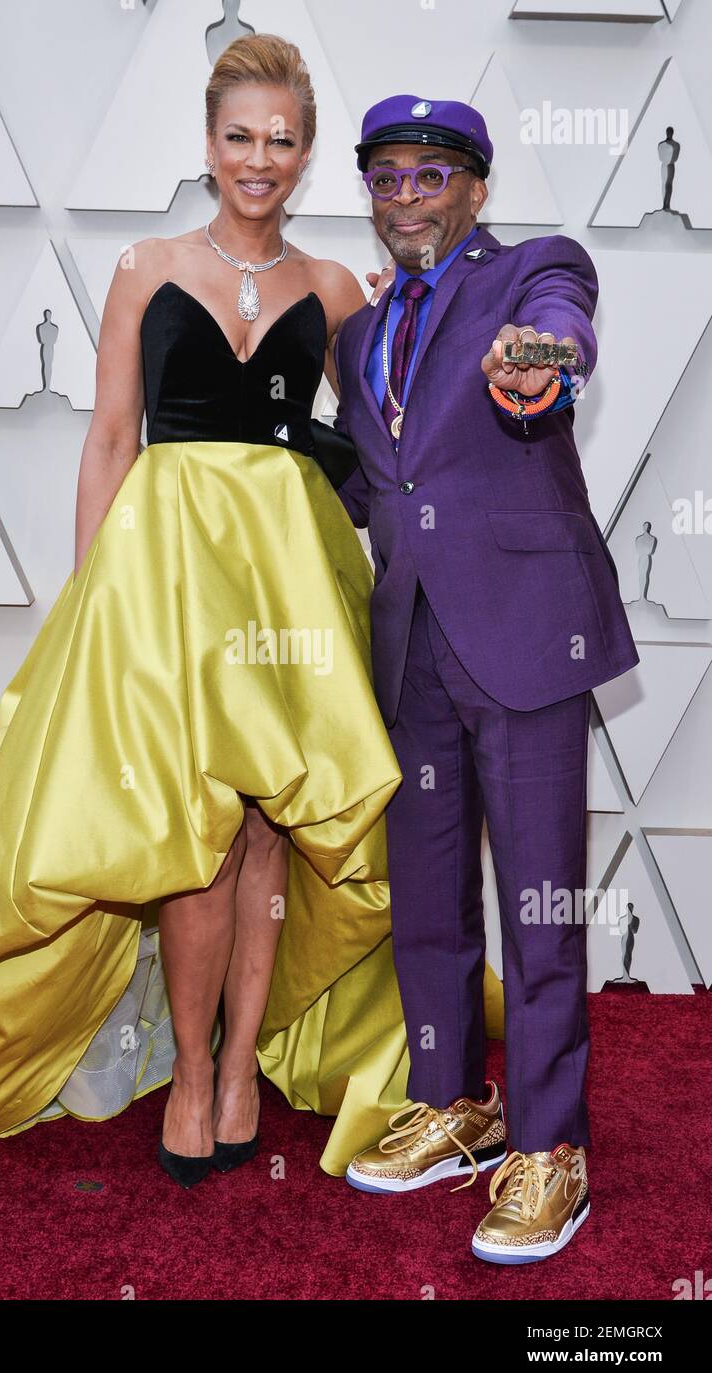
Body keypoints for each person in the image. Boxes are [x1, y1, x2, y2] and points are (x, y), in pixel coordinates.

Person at [0, 40, 505, 1191]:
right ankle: (195, 1064)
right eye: (238, 136)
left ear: (306, 156)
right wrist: (91, 599)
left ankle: (240, 1068)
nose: (257, 160)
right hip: (163, 577)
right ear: (207, 145)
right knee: (188, 834)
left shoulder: (334, 287)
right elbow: (112, 435)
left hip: (287, 577)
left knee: (270, 825)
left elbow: (390, 439)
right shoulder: (143, 266)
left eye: (280, 140)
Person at [329, 95, 639, 1261]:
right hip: (410, 641)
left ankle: (551, 1148)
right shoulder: (356, 338)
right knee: (429, 900)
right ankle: (455, 1105)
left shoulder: (529, 276)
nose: (406, 195)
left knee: (542, 905)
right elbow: (376, 486)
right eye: (386, 176)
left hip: (525, 629)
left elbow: (560, 332)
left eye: (430, 174)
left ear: (475, 186)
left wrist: (542, 361)